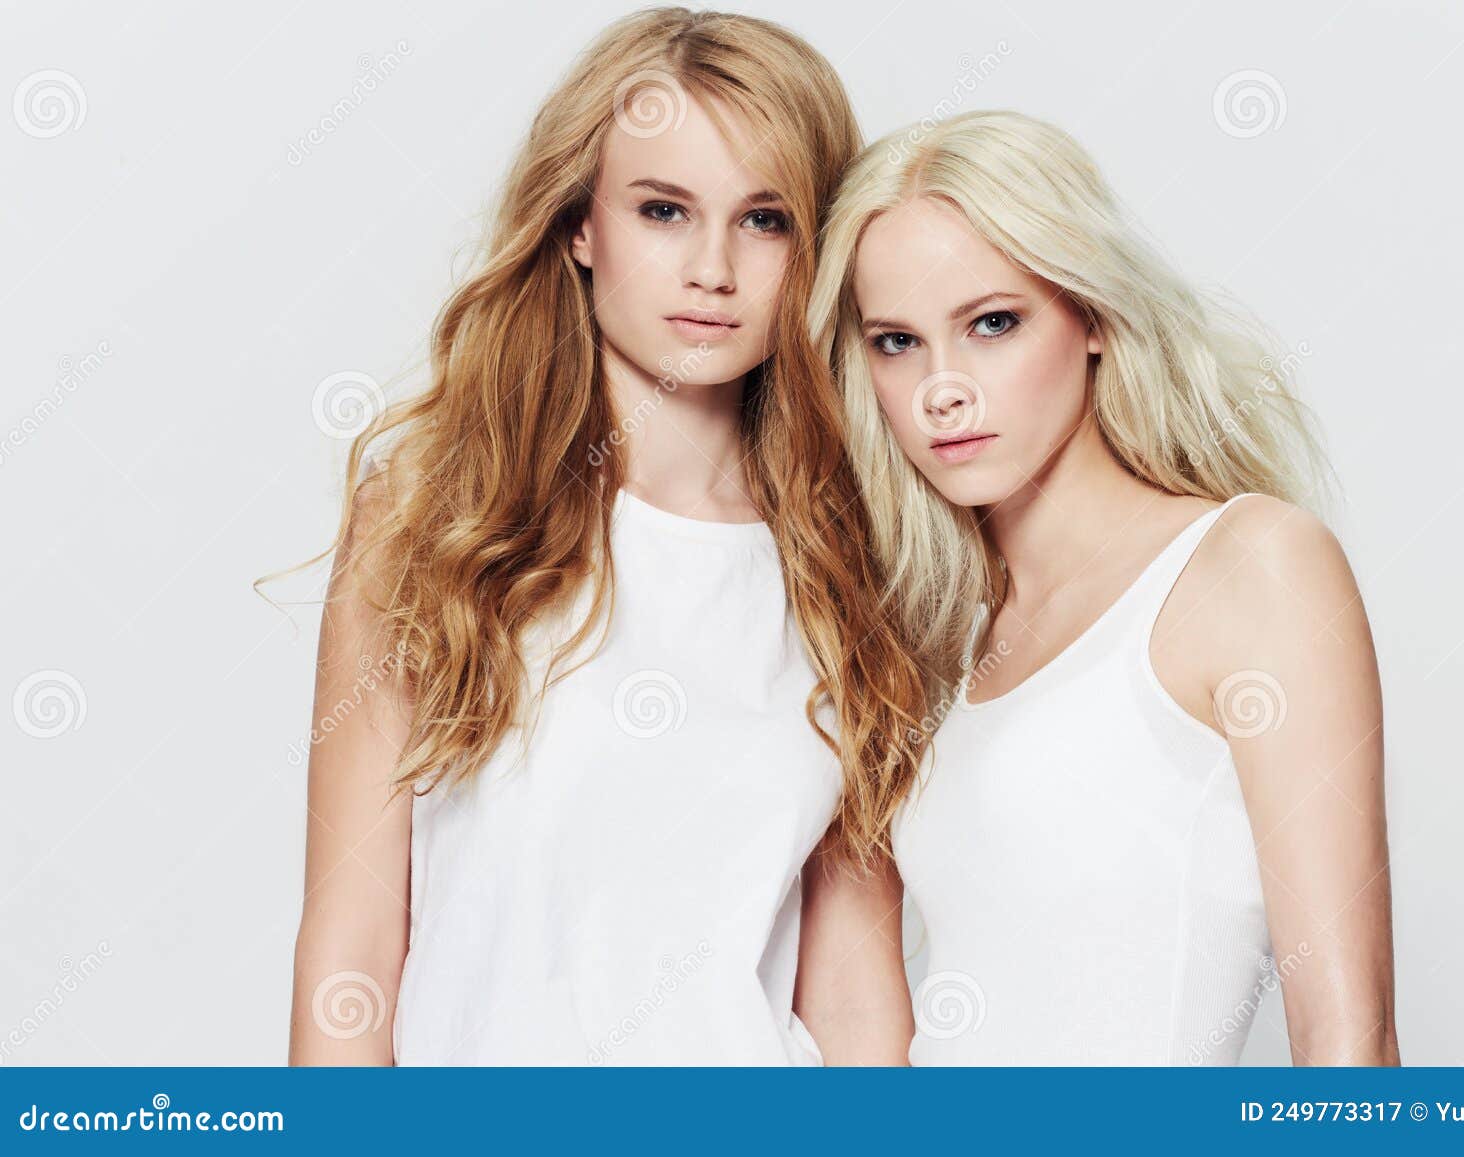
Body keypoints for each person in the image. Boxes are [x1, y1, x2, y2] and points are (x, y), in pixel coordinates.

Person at [275, 7, 925, 1066]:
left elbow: (855, 991)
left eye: (766, 220)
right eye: (664, 209)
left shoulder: (849, 557)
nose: (713, 267)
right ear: (581, 223)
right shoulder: (437, 514)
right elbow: (349, 951)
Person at [808, 108, 1399, 1065]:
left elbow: (1348, 1040)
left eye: (991, 323)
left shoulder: (1250, 567)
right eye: (896, 342)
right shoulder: (930, 643)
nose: (940, 388)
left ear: (1090, 316)